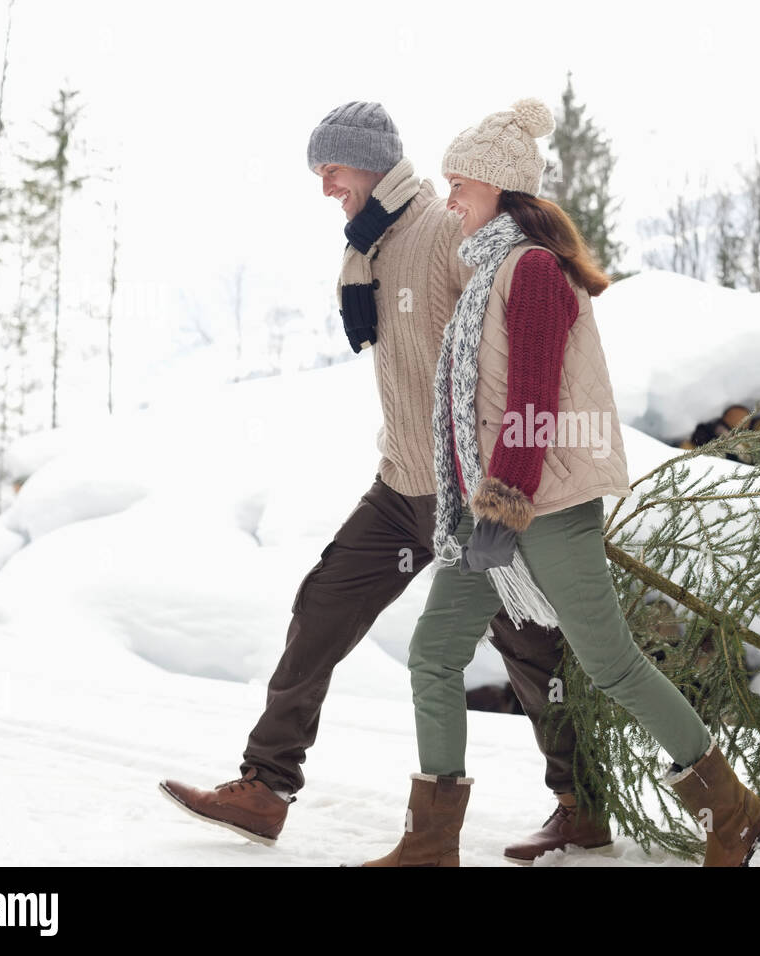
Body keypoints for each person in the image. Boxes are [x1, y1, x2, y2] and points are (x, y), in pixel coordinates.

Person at [158, 101, 614, 864]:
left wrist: (523, 469)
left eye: (331, 169)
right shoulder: (369, 249)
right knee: (323, 604)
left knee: (531, 648)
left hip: (467, 494)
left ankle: (580, 805)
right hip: (403, 486)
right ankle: (266, 787)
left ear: (370, 161)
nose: (326, 186)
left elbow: (523, 298)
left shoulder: (441, 230)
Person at [362, 99, 760, 868]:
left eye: (459, 184)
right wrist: (476, 512)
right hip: (485, 513)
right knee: (434, 652)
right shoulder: (491, 271)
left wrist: (504, 509)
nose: (448, 198)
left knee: (610, 661)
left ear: (498, 188)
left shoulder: (533, 272)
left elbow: (531, 402)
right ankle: (430, 842)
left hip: (539, 506)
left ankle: (734, 811)